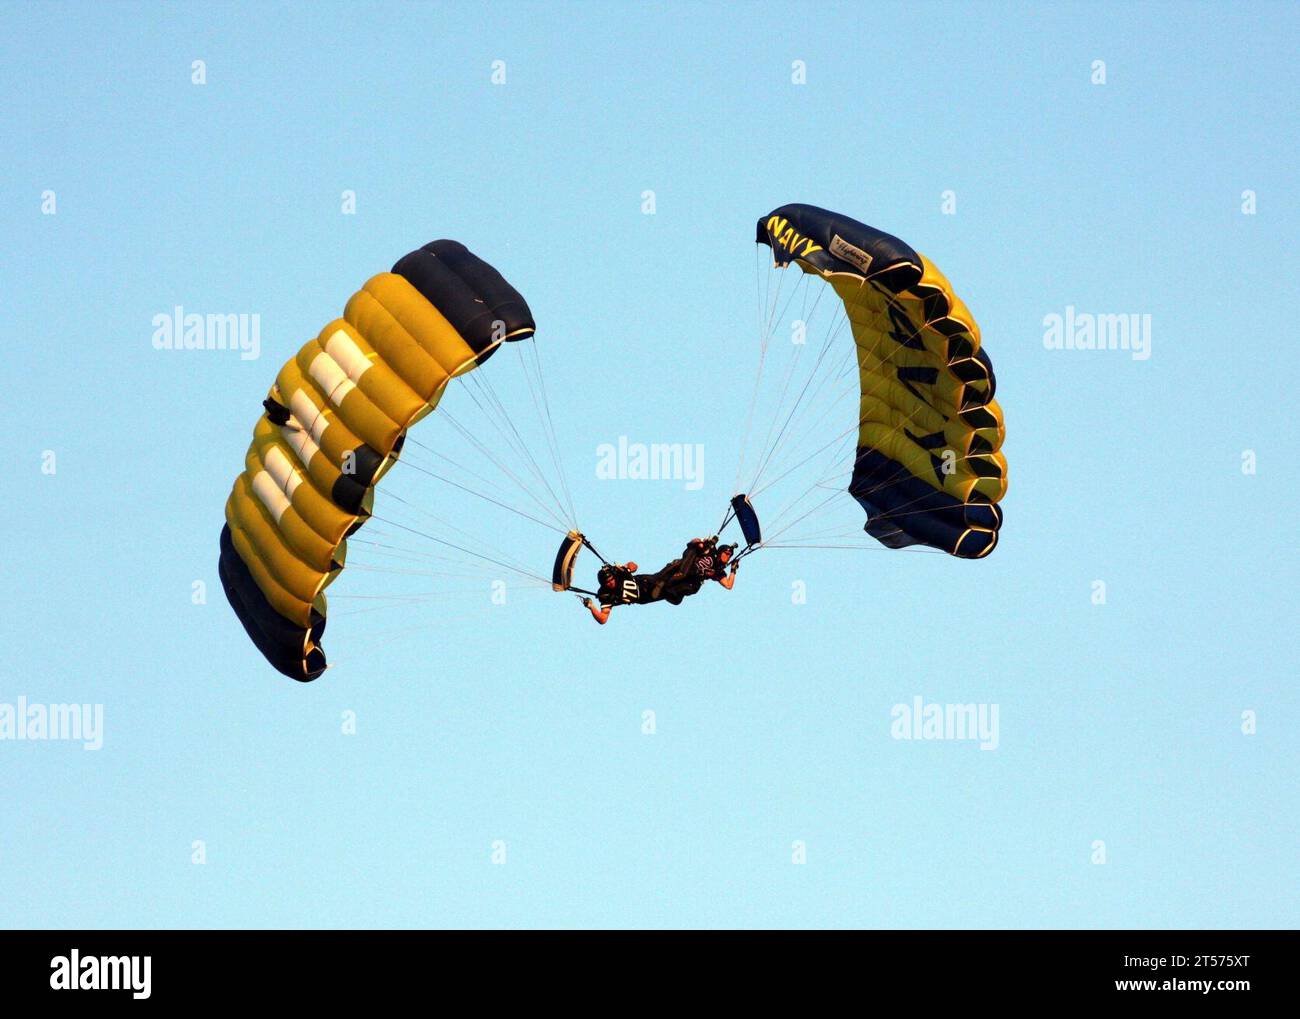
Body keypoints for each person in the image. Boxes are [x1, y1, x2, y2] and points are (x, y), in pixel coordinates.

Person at [583, 538, 738, 624]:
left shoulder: (618, 574)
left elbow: (634, 565)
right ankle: (668, 586)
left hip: (647, 580)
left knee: (674, 589)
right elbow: (603, 619)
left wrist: (624, 567)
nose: (610, 583)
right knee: (667, 585)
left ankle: (669, 588)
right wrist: (591, 607)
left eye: (611, 579)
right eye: (608, 582)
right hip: (644, 596)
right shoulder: (605, 595)